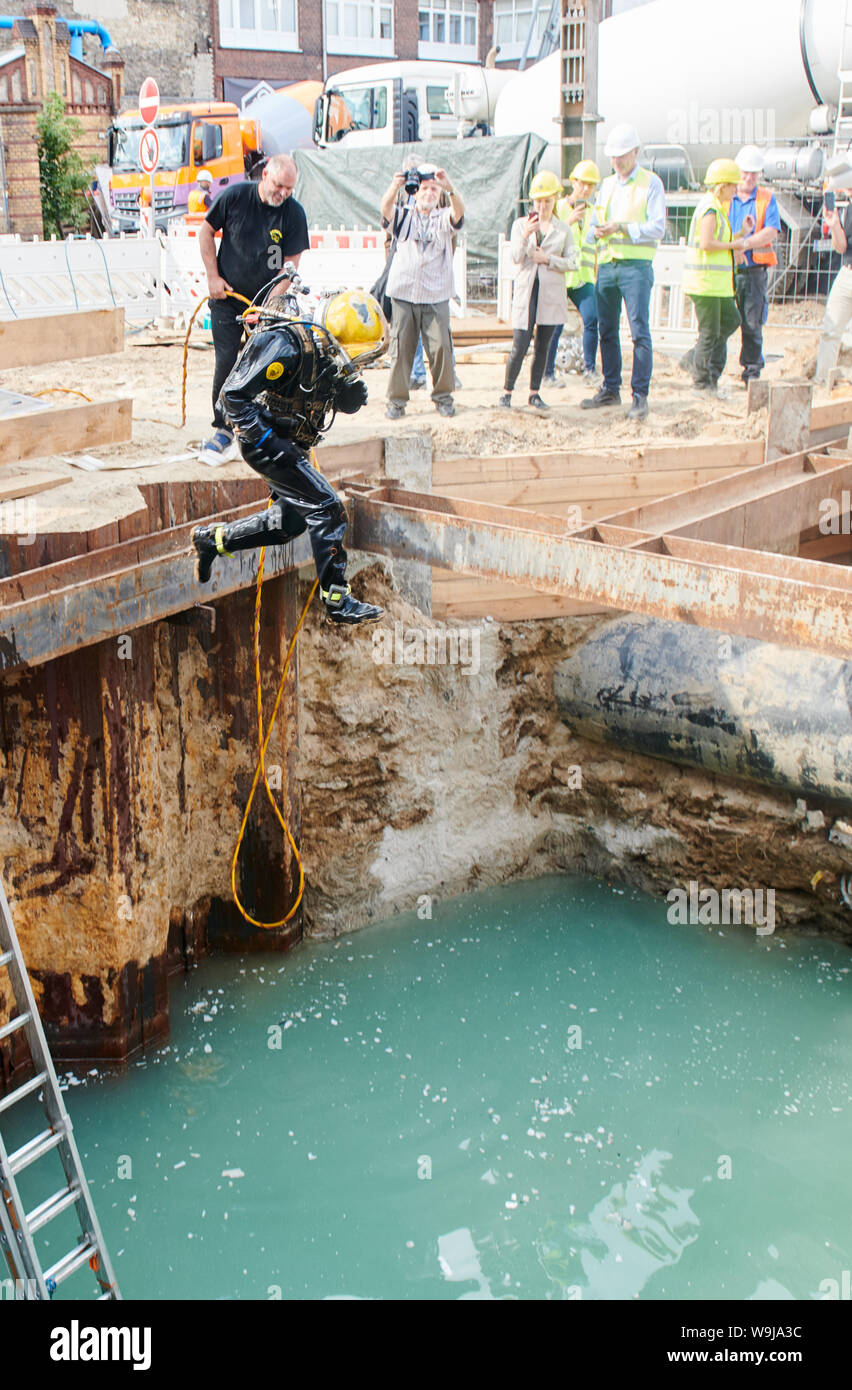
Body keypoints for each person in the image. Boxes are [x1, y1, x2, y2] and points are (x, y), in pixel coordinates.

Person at [191, 288, 388, 626]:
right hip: (264, 442)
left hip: (291, 442)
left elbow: (318, 394)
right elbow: (232, 398)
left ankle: (212, 541)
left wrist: (348, 397)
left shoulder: (325, 351)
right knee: (328, 509)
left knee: (289, 524)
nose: (356, 366)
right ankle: (337, 600)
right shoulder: (286, 346)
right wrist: (268, 439)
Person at [197, 155, 309, 462]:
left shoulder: (293, 214)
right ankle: (223, 429)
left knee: (267, 366)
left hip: (267, 306)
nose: (283, 193)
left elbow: (290, 266)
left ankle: (260, 427)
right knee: (227, 363)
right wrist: (212, 277)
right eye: (278, 185)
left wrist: (269, 305)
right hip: (228, 299)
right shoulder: (235, 197)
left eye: (289, 188)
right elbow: (205, 232)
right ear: (264, 175)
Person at [582, 123, 666, 421]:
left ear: (635, 152)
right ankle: (611, 387)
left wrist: (622, 228)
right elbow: (594, 225)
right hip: (608, 265)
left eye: (621, 156)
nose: (616, 161)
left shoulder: (651, 183)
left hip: (635, 267)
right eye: (612, 157)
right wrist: (596, 231)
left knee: (638, 331)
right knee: (607, 330)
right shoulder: (606, 186)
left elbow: (657, 227)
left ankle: (640, 395)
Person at [380, 165, 464, 420]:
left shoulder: (443, 217)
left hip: (436, 294)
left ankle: (443, 397)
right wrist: (395, 186)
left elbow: (459, 213)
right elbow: (384, 211)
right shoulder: (404, 215)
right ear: (415, 191)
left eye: (433, 189)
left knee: (441, 350)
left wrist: (449, 187)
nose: (428, 193)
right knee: (400, 351)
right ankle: (396, 401)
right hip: (404, 292)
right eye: (424, 188)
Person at [499, 170, 577, 411]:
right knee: (519, 345)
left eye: (547, 201)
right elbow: (514, 256)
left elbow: (573, 262)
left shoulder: (563, 229)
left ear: (555, 200)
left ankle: (534, 393)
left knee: (543, 345)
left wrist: (549, 260)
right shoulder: (521, 225)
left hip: (550, 294)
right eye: (539, 201)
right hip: (527, 292)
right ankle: (507, 392)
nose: (542, 206)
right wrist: (525, 236)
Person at [682, 159, 753, 393]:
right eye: (733, 185)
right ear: (722, 185)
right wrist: (735, 244)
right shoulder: (710, 208)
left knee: (731, 321)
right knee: (710, 333)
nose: (736, 190)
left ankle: (701, 363)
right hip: (705, 285)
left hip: (717, 286)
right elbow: (707, 243)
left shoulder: (717, 207)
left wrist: (741, 232)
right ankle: (702, 381)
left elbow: (720, 240)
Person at [543, 159, 601, 387]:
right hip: (560, 275)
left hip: (582, 276)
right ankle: (547, 374)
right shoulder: (560, 207)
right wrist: (568, 221)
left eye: (590, 185)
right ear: (573, 182)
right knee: (555, 325)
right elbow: (548, 236)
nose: (586, 189)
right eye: (582, 184)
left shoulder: (594, 213)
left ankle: (590, 369)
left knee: (592, 318)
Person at [728, 145, 781, 385]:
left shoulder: (765, 198)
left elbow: (771, 231)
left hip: (754, 270)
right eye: (745, 172)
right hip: (727, 268)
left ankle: (751, 370)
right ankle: (710, 366)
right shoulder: (727, 196)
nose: (749, 178)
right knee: (722, 320)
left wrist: (745, 244)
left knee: (752, 322)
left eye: (754, 173)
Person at [815, 156, 852, 385]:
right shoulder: (848, 208)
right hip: (847, 272)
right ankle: (822, 383)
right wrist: (835, 224)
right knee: (831, 330)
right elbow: (841, 247)